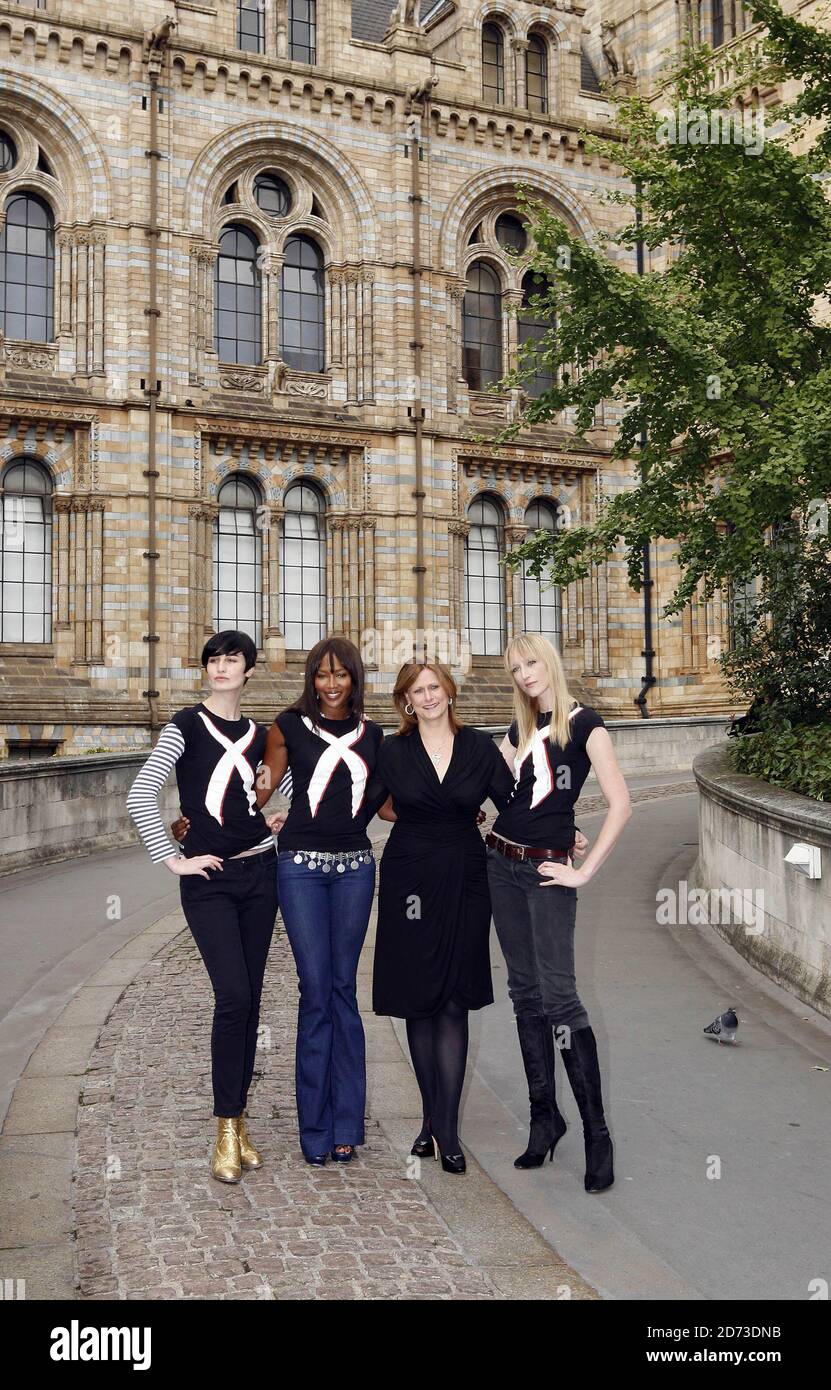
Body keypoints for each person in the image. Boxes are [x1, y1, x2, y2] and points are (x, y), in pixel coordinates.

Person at [126, 630, 288, 1185]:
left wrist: (281, 818)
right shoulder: (185, 725)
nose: (221, 667)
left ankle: (240, 1123)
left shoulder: (263, 735)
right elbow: (141, 793)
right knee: (233, 996)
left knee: (252, 1000)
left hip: (260, 873)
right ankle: (224, 1126)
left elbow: (295, 789)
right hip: (209, 882)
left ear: (249, 670)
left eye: (231, 659)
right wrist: (172, 859)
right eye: (213, 660)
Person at [486, 632, 631, 1192]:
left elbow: (621, 804)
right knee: (524, 994)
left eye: (531, 663)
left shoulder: (585, 724)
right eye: (515, 668)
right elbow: (503, 795)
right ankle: (544, 1118)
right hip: (501, 865)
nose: (525, 674)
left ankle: (597, 1135)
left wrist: (584, 870)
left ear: (549, 662)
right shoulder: (516, 730)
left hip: (548, 874)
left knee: (560, 999)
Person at [371, 659, 515, 1174]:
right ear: (406, 701)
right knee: (419, 1002)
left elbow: (514, 803)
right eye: (417, 691)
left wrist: (562, 834)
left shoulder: (477, 747)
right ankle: (430, 1120)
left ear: (449, 692)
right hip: (409, 876)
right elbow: (360, 806)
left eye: (434, 687)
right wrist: (285, 818)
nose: (428, 696)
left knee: (453, 1000)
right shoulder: (393, 751)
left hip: (465, 876)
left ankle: (446, 1132)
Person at [256, 637, 387, 1166]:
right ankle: (313, 1127)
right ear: (311, 679)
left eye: (340, 674)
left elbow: (390, 804)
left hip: (355, 869)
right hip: (301, 871)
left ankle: (346, 1125)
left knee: (343, 990)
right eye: (321, 674)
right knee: (314, 991)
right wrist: (198, 819)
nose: (331, 684)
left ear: (354, 679)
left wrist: (456, 811)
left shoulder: (373, 735)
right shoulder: (287, 727)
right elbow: (258, 790)